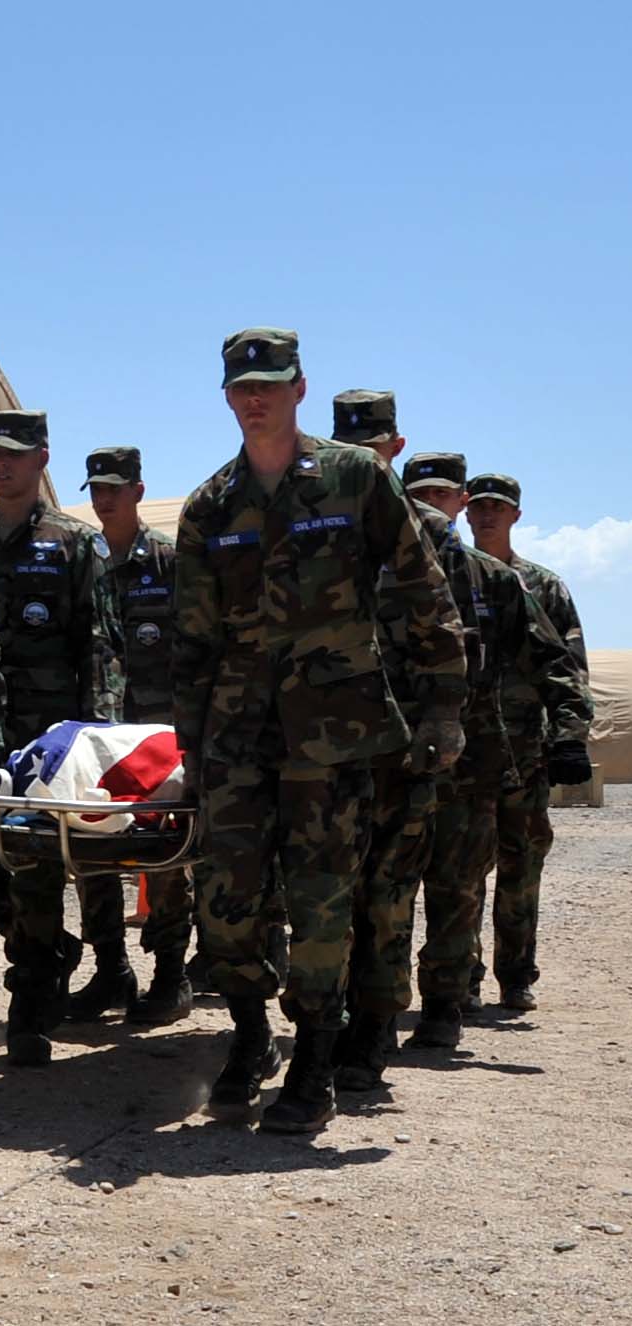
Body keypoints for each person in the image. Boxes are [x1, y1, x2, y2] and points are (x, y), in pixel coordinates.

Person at [174, 328, 466, 1134]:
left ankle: (314, 1063)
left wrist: (442, 704)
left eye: (270, 383)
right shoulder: (208, 506)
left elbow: (421, 587)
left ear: (300, 387)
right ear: (227, 397)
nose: (256, 398)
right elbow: (190, 640)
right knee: (226, 901)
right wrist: (185, 747)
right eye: (242, 387)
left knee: (323, 900)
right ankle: (248, 1033)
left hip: (335, 732)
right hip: (237, 734)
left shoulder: (353, 478)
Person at [399, 456, 586, 1049]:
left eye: (443, 496)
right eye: (418, 494)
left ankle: (485, 985)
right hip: (405, 759)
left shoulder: (511, 582)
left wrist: (568, 735)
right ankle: (419, 995)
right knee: (413, 884)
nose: (433, 506)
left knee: (490, 874)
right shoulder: (379, 573)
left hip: (496, 753)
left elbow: (561, 661)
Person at [323, 393, 475, 1090]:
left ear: (396, 447)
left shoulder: (433, 535)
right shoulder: (320, 524)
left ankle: (373, 1028)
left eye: (377, 447)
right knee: (327, 892)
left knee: (387, 893)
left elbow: (459, 635)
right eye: (353, 447)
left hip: (405, 746)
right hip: (330, 743)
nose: (365, 459)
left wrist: (446, 723)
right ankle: (326, 1020)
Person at [0, 410, 123, 1064]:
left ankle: (29, 1011)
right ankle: (52, 949)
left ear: (41, 460)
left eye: (16, 455)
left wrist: (98, 735)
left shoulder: (71, 543)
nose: (2, 466)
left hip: (48, 741)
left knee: (35, 871)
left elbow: (101, 643)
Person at [463, 472, 594, 1009]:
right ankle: (459, 978)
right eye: (481, 507)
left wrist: (570, 738)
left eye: (500, 507)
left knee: (522, 866)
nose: (489, 515)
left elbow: (569, 668)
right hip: (467, 753)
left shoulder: (544, 586)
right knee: (462, 868)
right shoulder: (451, 577)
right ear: (466, 513)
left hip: (525, 751)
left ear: (516, 515)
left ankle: (516, 975)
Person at [82, 446, 196, 1025]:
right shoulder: (86, 560)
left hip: (158, 737)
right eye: (96, 489)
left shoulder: (170, 562)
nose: (103, 500)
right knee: (94, 853)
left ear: (137, 491)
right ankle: (109, 971)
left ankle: (172, 975)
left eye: (114, 489)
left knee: (164, 854)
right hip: (102, 738)